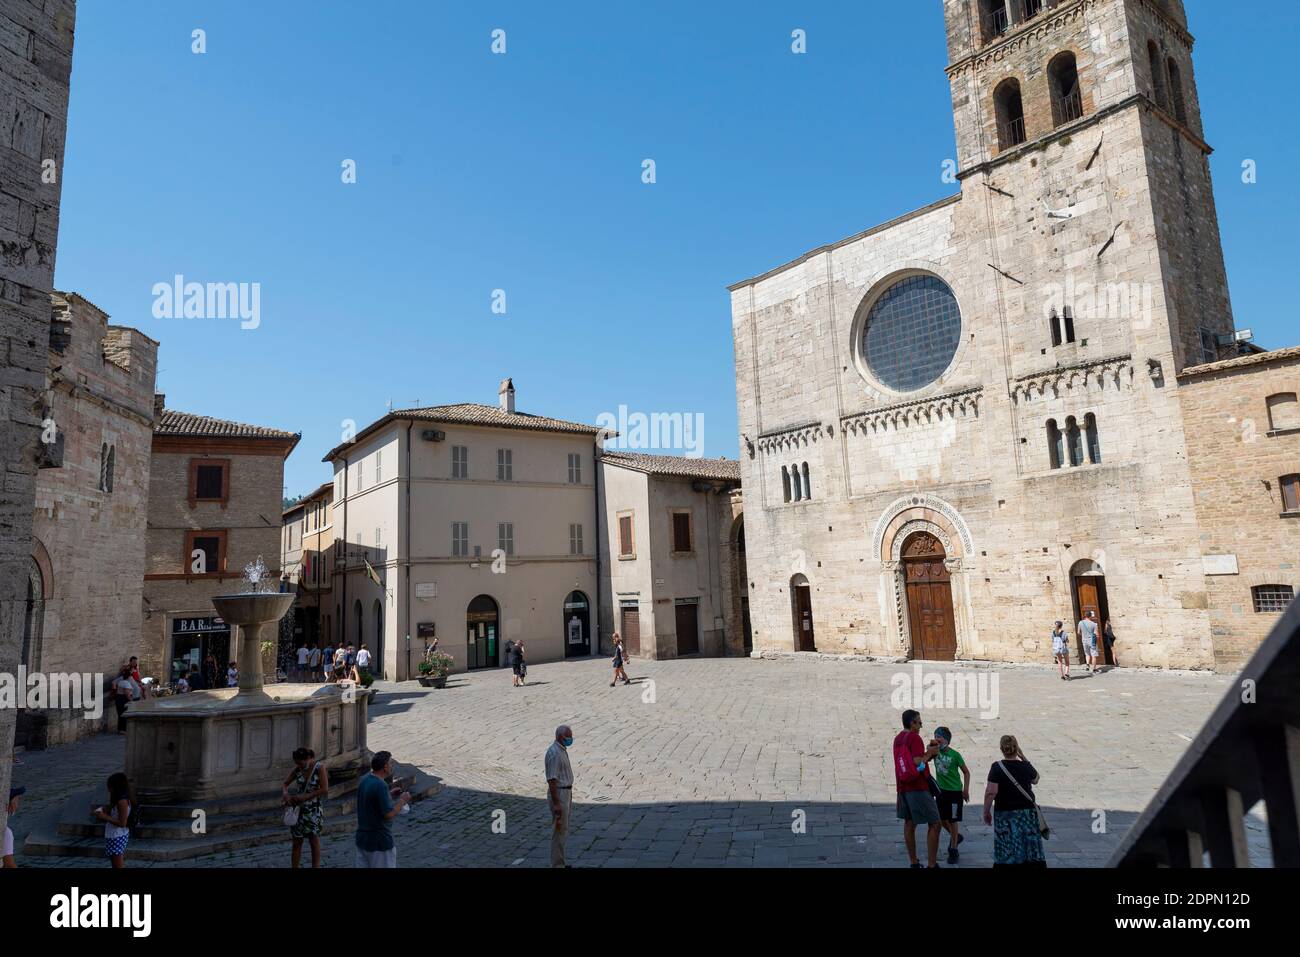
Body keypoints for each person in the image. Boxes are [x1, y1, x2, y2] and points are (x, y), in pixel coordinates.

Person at [983, 734, 1046, 868]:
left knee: (1007, 848)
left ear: (1001, 749)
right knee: (1028, 847)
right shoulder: (1025, 766)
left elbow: (991, 792)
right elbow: (1036, 779)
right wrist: (1023, 758)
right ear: (1017, 748)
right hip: (1027, 815)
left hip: (1006, 815)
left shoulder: (997, 767)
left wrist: (986, 811)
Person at [894, 709, 942, 868]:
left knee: (909, 823)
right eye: (919, 722)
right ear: (912, 723)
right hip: (918, 787)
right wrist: (930, 753)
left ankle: (914, 862)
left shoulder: (898, 739)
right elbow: (917, 762)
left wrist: (927, 752)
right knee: (935, 823)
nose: (921, 725)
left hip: (903, 786)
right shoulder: (915, 738)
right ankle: (932, 864)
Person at [355, 751, 410, 868]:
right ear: (385, 767)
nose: (392, 766)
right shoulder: (380, 785)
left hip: (363, 840)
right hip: (379, 842)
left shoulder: (365, 780)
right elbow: (388, 814)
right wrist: (402, 801)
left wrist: (388, 795)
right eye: (390, 763)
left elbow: (370, 800)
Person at [930, 726, 970, 864]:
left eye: (939, 737)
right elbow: (925, 758)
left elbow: (966, 772)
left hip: (955, 793)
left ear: (946, 739)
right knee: (941, 819)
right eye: (935, 736)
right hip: (941, 792)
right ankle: (956, 836)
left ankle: (953, 849)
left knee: (953, 820)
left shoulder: (955, 755)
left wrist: (965, 790)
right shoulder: (934, 752)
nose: (936, 739)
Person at [283, 747, 329, 868]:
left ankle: (316, 866)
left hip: (313, 809)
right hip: (299, 810)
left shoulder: (319, 768)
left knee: (314, 840)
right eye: (297, 763)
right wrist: (286, 794)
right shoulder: (298, 768)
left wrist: (306, 796)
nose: (299, 765)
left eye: (300, 763)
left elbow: (324, 789)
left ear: (308, 759)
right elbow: (285, 784)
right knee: (297, 841)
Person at [545, 725, 575, 868]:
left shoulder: (561, 749)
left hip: (566, 793)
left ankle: (561, 862)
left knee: (563, 830)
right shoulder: (555, 754)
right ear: (560, 737)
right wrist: (557, 804)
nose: (570, 739)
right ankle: (557, 865)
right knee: (559, 830)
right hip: (560, 793)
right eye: (568, 737)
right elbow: (552, 780)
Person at [93, 772, 132, 868]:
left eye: (110, 787)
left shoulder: (122, 802)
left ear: (116, 787)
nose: (108, 789)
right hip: (114, 835)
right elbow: (112, 810)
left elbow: (122, 823)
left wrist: (104, 817)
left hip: (117, 836)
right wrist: (102, 810)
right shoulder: (118, 799)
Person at [3, 786, 23, 868]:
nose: (19, 803)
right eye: (17, 799)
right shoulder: (6, 832)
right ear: (10, 804)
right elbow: (9, 864)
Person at [111, 666, 134, 734]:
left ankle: (121, 729)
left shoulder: (121, 682)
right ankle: (122, 730)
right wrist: (131, 700)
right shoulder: (126, 683)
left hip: (119, 698)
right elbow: (127, 693)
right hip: (123, 699)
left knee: (120, 714)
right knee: (123, 714)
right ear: (129, 677)